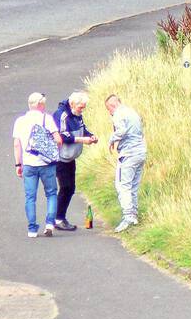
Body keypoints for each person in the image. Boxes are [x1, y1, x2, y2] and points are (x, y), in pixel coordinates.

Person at [12, 92, 61, 237]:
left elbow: (16, 144)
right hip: (47, 164)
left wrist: (18, 164)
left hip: (29, 164)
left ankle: (32, 229)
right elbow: (58, 140)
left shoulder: (20, 121)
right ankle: (50, 223)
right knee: (51, 193)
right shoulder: (47, 118)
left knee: (30, 197)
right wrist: (52, 150)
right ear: (40, 104)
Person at [51, 91, 97, 230]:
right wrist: (83, 140)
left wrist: (91, 136)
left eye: (83, 107)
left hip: (71, 157)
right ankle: (58, 219)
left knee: (70, 188)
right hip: (61, 158)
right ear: (72, 104)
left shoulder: (77, 115)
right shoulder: (61, 115)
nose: (82, 110)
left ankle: (60, 217)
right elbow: (63, 136)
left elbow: (83, 129)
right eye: (80, 107)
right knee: (65, 187)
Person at [104, 93, 147, 233]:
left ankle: (128, 216)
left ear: (112, 105)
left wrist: (111, 139)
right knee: (133, 185)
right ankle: (133, 215)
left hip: (128, 154)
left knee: (123, 185)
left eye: (108, 110)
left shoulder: (118, 114)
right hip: (140, 152)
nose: (109, 113)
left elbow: (121, 130)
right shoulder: (132, 112)